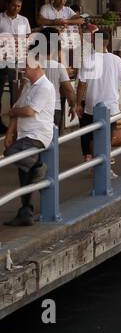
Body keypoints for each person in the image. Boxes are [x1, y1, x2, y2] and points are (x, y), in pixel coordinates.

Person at [3, 59, 57, 226]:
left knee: (11, 154)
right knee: (23, 175)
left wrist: (13, 111)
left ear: (37, 66)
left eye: (26, 66)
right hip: (24, 135)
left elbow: (28, 111)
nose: (23, 69)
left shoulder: (45, 87)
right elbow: (17, 108)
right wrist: (10, 132)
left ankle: (39, 166)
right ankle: (25, 211)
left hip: (37, 135)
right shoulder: (28, 86)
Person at [79, 46, 121, 166]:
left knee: (91, 136)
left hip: (91, 105)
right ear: (107, 44)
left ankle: (95, 162)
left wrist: (77, 103)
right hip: (110, 106)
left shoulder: (88, 60)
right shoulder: (116, 59)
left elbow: (82, 84)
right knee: (108, 134)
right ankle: (106, 159)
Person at [0, 0, 33, 117]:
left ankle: (13, 120)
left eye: (19, 6)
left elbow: (28, 39)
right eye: (13, 5)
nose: (16, 8)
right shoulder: (0, 18)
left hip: (17, 59)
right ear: (7, 4)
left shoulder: (24, 20)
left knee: (16, 91)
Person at [37, 0, 84, 64]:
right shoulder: (46, 8)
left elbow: (80, 20)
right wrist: (54, 22)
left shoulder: (67, 10)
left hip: (65, 43)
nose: (62, 1)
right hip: (49, 43)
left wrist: (65, 21)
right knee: (52, 65)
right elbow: (39, 21)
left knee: (65, 64)